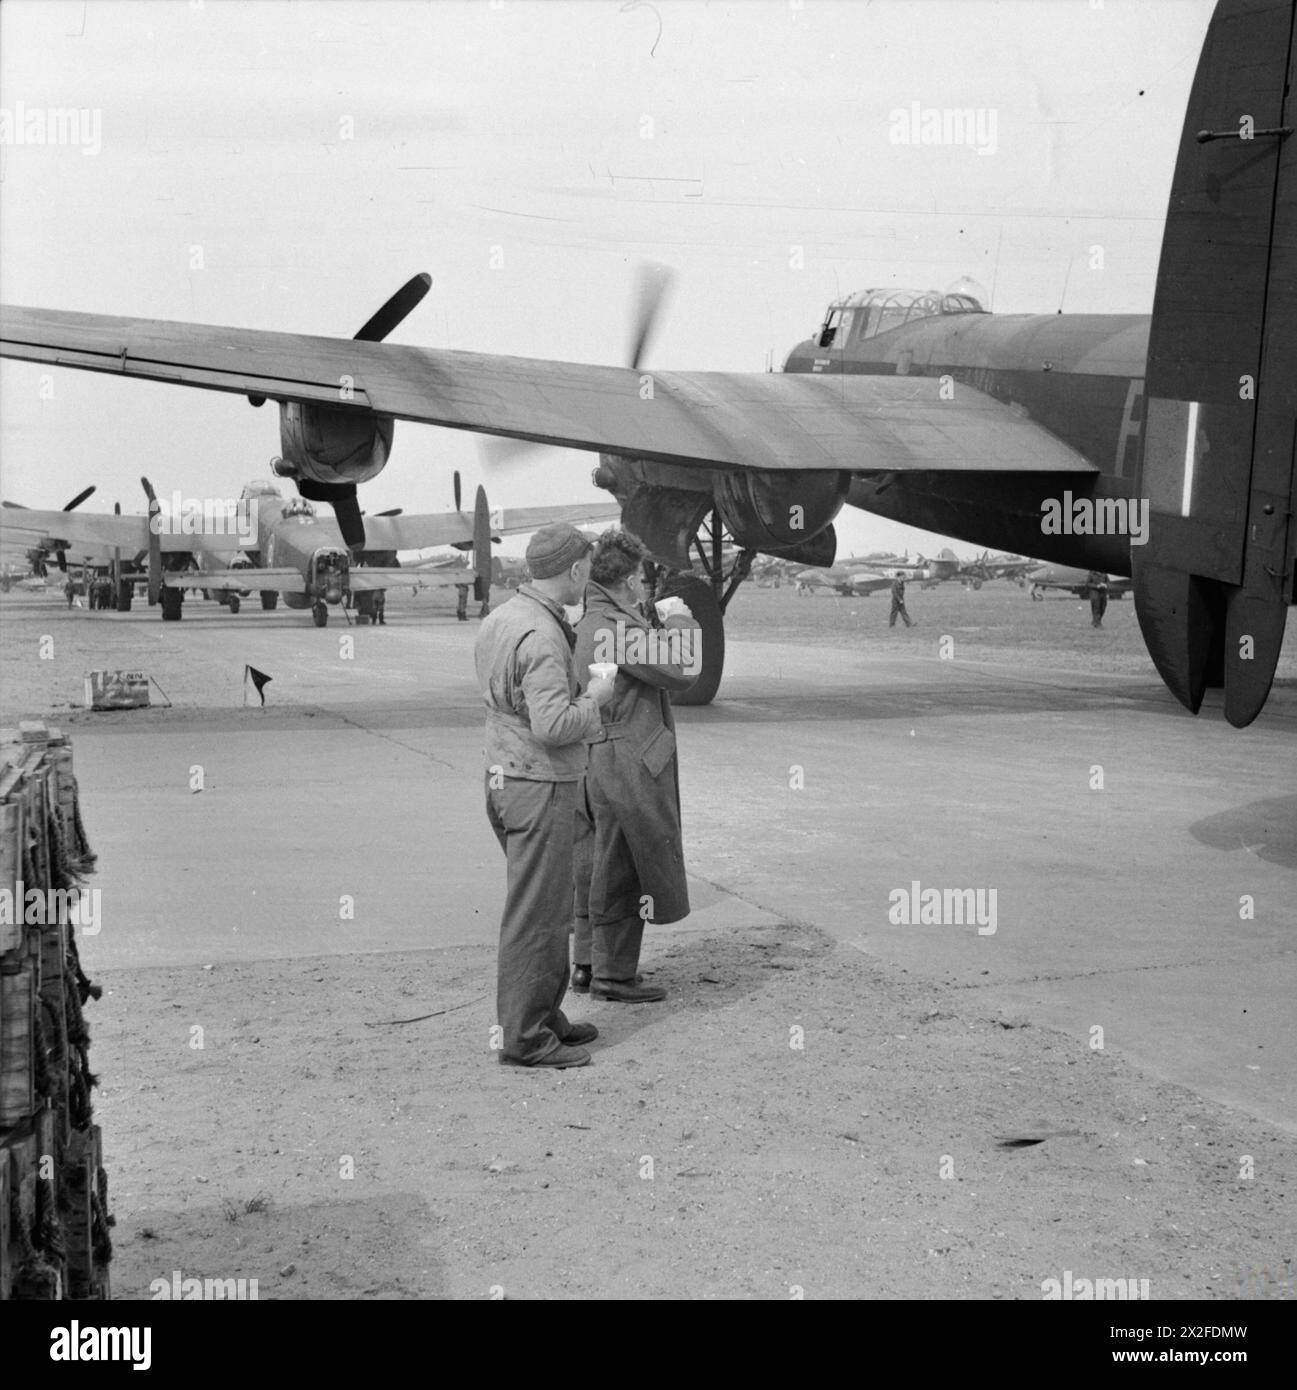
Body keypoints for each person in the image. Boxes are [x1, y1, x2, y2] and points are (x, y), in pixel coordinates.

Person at [474, 524, 615, 1069]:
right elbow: (553, 724)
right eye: (588, 567)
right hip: (539, 784)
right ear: (576, 571)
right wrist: (597, 699)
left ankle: (543, 1014)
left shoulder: (503, 617)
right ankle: (526, 1039)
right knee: (538, 915)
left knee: (549, 908)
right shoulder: (542, 634)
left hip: (504, 776)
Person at [572, 529, 697, 1003]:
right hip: (626, 763)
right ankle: (615, 976)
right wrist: (680, 617)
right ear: (625, 581)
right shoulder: (617, 629)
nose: (645, 590)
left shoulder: (591, 622)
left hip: (593, 757)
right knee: (623, 865)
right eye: (641, 582)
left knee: (593, 863)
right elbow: (685, 669)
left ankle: (587, 964)